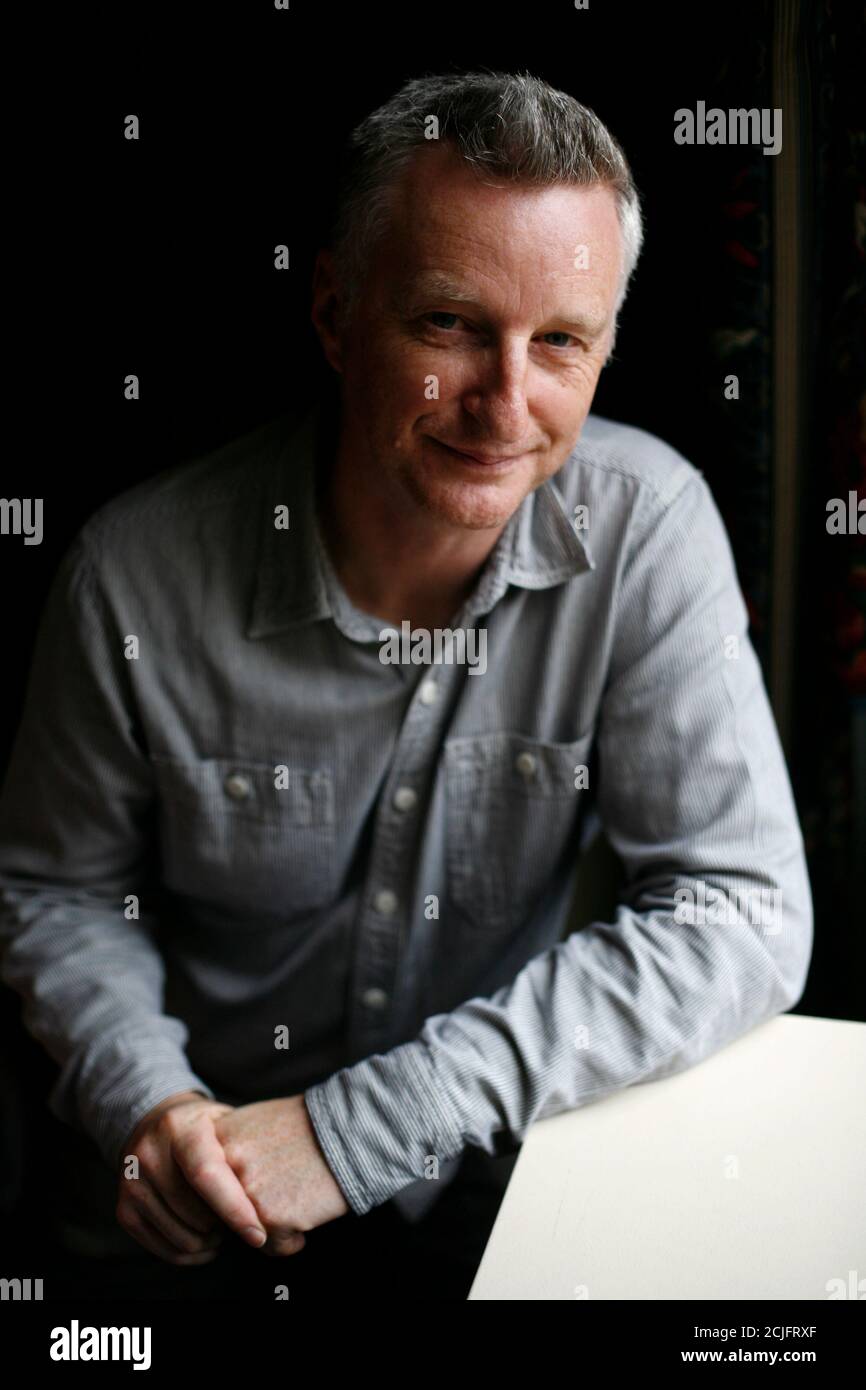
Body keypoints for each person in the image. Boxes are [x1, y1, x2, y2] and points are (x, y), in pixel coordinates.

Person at [0, 70, 813, 1299]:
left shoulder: (648, 526)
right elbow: (60, 893)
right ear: (335, 313)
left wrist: (356, 1129)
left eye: (558, 343)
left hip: (493, 1199)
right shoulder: (132, 575)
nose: (504, 405)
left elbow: (741, 912)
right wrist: (152, 1106)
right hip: (178, 1216)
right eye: (447, 325)